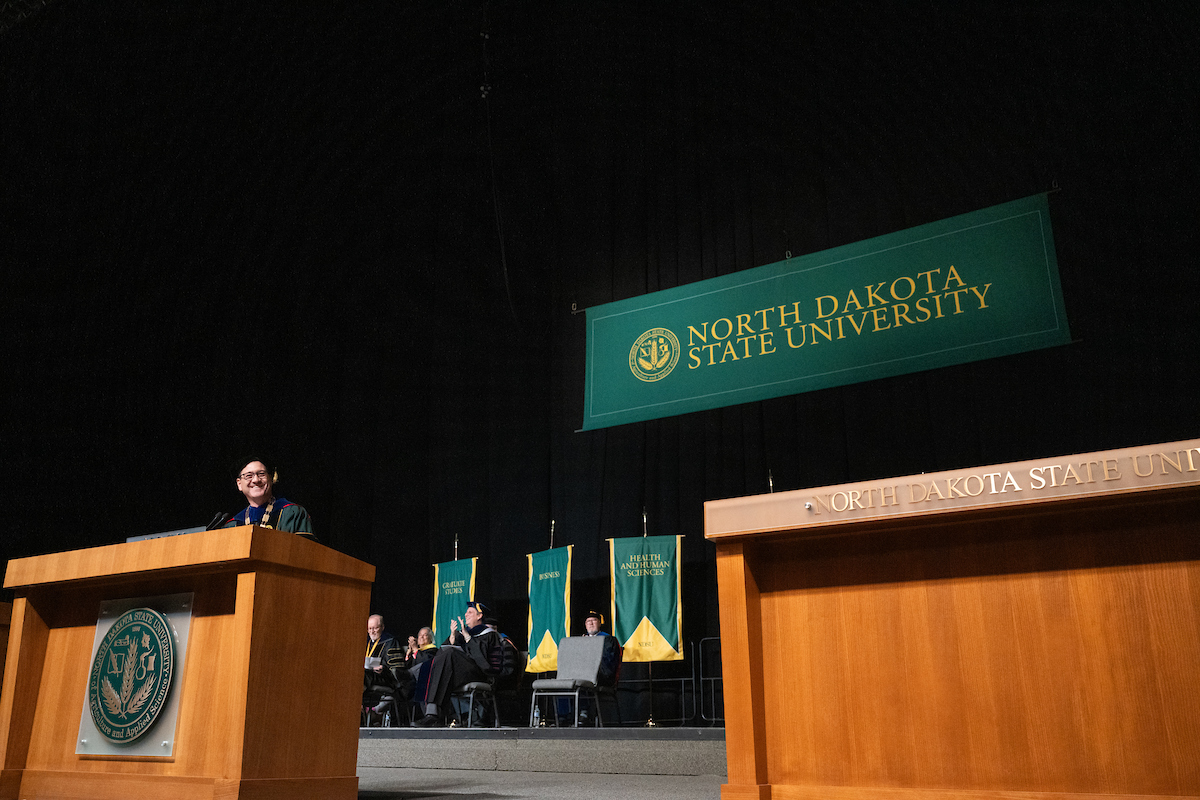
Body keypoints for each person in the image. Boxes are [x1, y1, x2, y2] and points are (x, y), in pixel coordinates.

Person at [413, 601, 503, 727]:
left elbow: (484, 662)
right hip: (459, 673)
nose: (466, 614)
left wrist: (468, 638)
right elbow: (441, 653)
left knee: (449, 654)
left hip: (480, 674)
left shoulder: (489, 635)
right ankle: (430, 713)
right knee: (425, 667)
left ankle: (434, 715)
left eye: (470, 612)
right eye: (466, 612)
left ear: (479, 616)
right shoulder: (461, 634)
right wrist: (452, 638)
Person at [224, 458, 314, 537]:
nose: (256, 480)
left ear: (271, 479)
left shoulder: (292, 513)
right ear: (239, 484)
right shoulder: (233, 524)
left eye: (261, 474)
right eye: (248, 476)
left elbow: (304, 551)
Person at [364, 614, 407, 720]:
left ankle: (361, 710)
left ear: (382, 627)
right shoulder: (366, 643)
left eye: (375, 628)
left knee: (362, 675)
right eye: (369, 628)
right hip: (370, 677)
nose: (372, 631)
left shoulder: (391, 642)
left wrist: (383, 668)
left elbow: (397, 668)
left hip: (385, 678)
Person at [581, 610, 622, 687]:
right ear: (585, 625)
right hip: (582, 674)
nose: (591, 623)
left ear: (600, 623)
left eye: (594, 620)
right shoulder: (580, 641)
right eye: (588, 621)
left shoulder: (607, 639)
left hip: (601, 675)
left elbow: (608, 661)